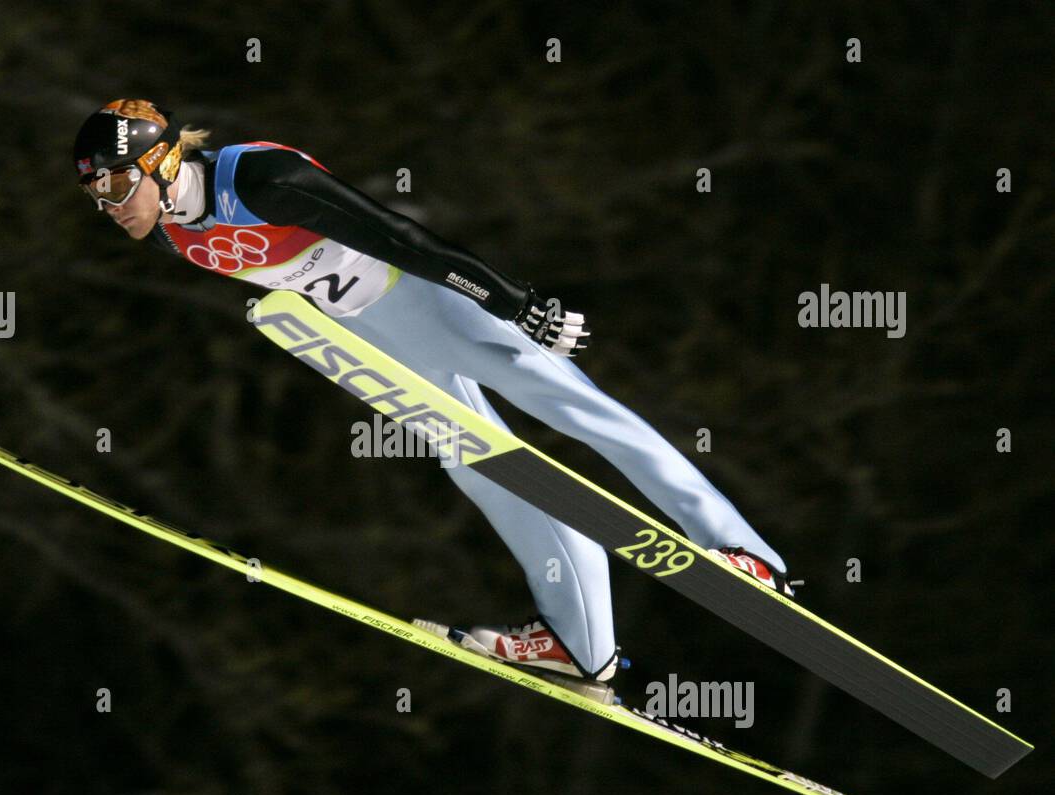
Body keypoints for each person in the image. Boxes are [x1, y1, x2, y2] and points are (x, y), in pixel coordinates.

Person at [72, 98, 791, 686]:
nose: (107, 207)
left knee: (571, 406)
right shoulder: (173, 234)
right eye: (93, 195)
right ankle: (581, 642)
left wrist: (514, 302)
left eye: (111, 185)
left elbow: (398, 235)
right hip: (379, 339)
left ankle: (741, 552)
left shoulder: (265, 181)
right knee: (484, 465)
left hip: (429, 301)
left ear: (160, 162)